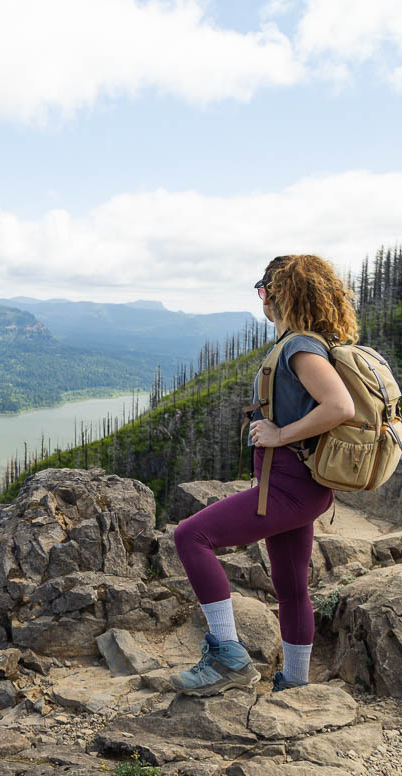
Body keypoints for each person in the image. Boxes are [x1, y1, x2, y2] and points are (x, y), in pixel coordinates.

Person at [168, 254, 358, 696]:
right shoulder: (310, 341)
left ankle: (228, 657)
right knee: (291, 588)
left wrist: (278, 434)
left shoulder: (299, 346)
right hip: (301, 488)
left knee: (190, 537)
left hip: (289, 488)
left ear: (278, 295)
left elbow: (340, 407)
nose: (263, 300)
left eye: (264, 291)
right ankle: (295, 683)